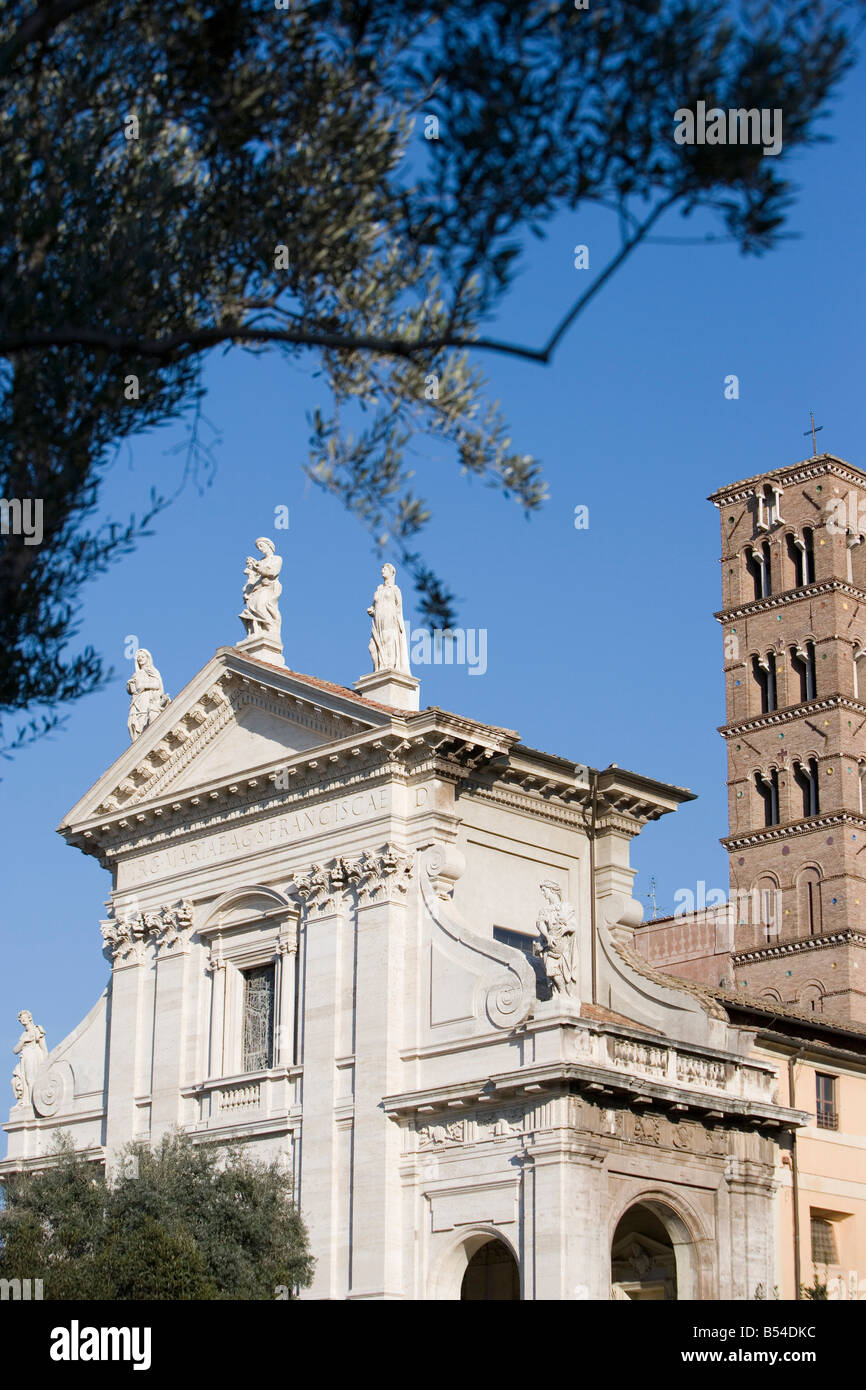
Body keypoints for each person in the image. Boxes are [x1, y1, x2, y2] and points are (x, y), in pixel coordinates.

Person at [367, 563, 410, 673]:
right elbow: (374, 604)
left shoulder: (395, 590)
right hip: (377, 622)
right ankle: (377, 669)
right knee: (372, 647)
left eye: (385, 569)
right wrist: (371, 609)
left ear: (392, 573)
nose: (382, 571)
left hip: (389, 620)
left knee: (388, 642)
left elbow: (399, 608)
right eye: (382, 569)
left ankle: (387, 667)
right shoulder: (379, 589)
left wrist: (398, 625)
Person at [240, 537, 283, 638]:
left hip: (268, 587)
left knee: (260, 607)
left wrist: (258, 569)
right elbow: (254, 578)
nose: (260, 548)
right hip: (257, 589)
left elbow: (272, 573)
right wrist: (250, 574)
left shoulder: (277, 559)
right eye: (258, 547)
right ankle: (257, 631)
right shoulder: (260, 561)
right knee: (252, 607)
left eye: (261, 546)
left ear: (269, 546)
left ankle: (270, 629)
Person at [126, 648, 169, 741]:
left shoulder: (152, 670)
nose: (140, 658)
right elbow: (131, 690)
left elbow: (157, 685)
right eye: (138, 657)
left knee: (142, 720)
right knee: (131, 723)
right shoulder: (136, 674)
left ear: (147, 658)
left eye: (142, 656)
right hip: (136, 699)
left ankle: (143, 738)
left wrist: (144, 686)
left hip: (146, 698)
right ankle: (137, 740)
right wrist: (130, 685)